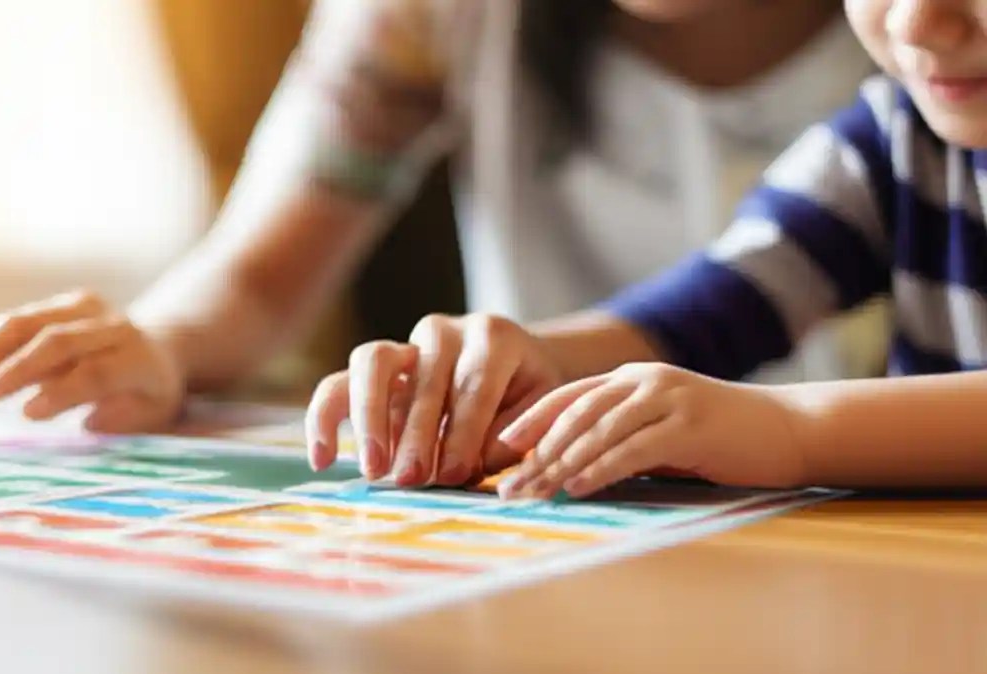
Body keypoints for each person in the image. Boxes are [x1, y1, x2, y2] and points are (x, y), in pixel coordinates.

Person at [0, 1, 872, 446]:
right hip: (560, 505)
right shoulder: (434, 13)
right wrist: (159, 345)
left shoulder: (942, 34)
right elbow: (256, 279)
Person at [307, 0, 987, 499]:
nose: (916, 23)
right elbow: (712, 307)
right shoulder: (893, 137)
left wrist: (790, 430)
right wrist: (533, 366)